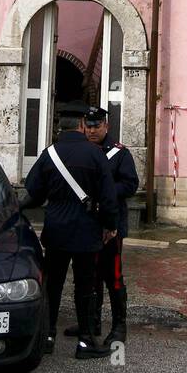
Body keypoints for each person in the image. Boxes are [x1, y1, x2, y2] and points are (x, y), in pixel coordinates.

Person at [20, 102, 117, 359]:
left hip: (56, 229)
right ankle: (85, 340)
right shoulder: (96, 155)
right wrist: (110, 226)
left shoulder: (49, 154)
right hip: (86, 230)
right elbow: (108, 198)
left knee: (53, 284)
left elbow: (33, 191)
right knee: (85, 286)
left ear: (59, 127)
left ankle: (48, 336)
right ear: (82, 125)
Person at [63, 106, 139, 346]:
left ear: (106, 126)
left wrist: (104, 193)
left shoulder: (119, 154)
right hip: (87, 225)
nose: (92, 131)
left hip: (111, 225)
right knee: (88, 275)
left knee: (112, 275)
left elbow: (130, 184)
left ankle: (119, 326)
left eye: (97, 126)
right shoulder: (80, 151)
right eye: (89, 126)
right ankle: (91, 321)